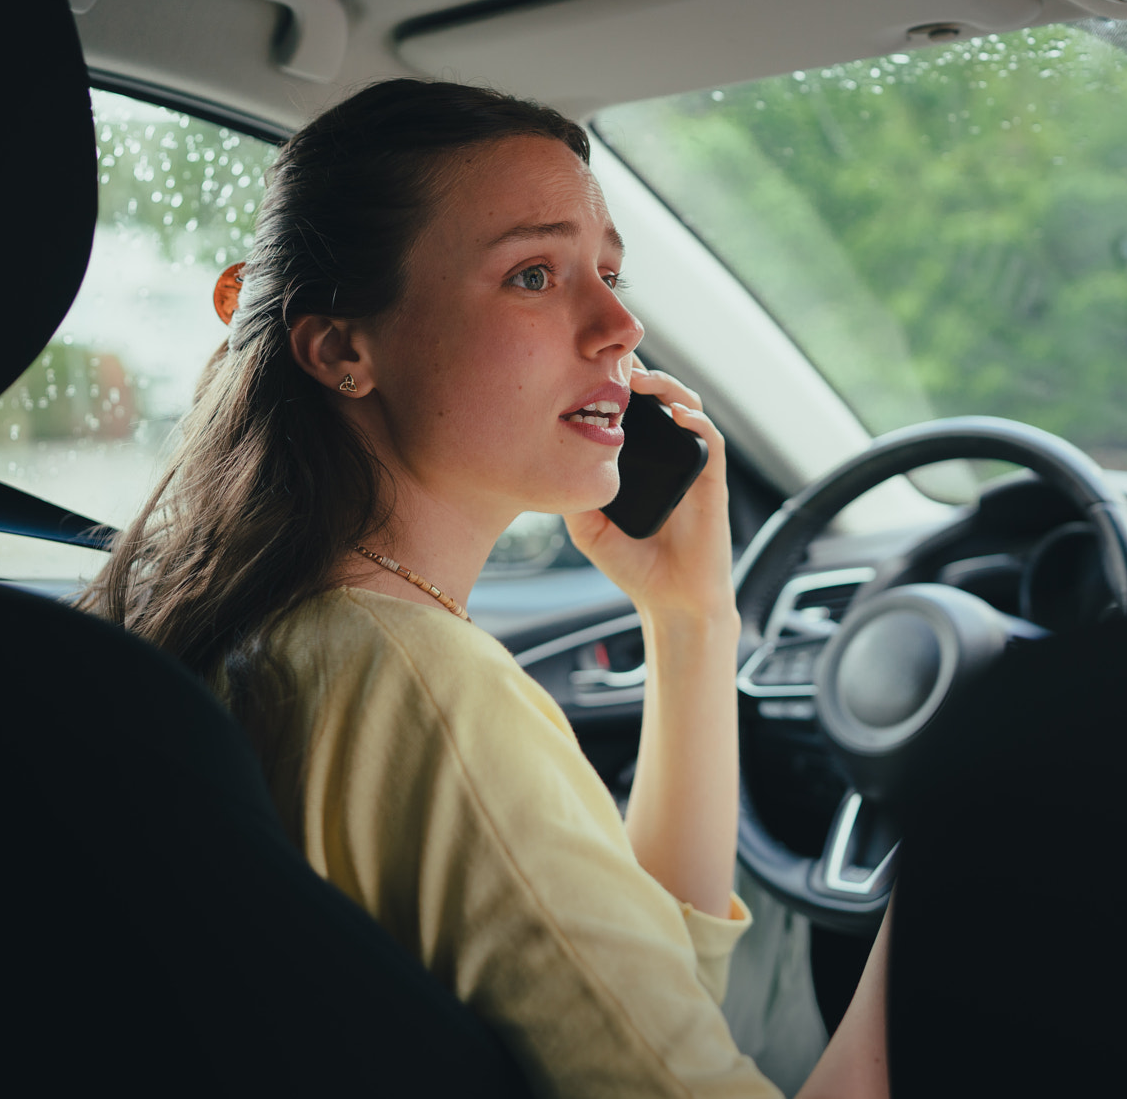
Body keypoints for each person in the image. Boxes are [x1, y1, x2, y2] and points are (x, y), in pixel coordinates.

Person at [88, 79, 892, 1098]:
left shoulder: (255, 630)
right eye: (532, 275)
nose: (618, 325)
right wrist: (956, 881)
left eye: (607, 272)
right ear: (343, 347)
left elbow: (648, 1008)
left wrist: (689, 622)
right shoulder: (423, 684)